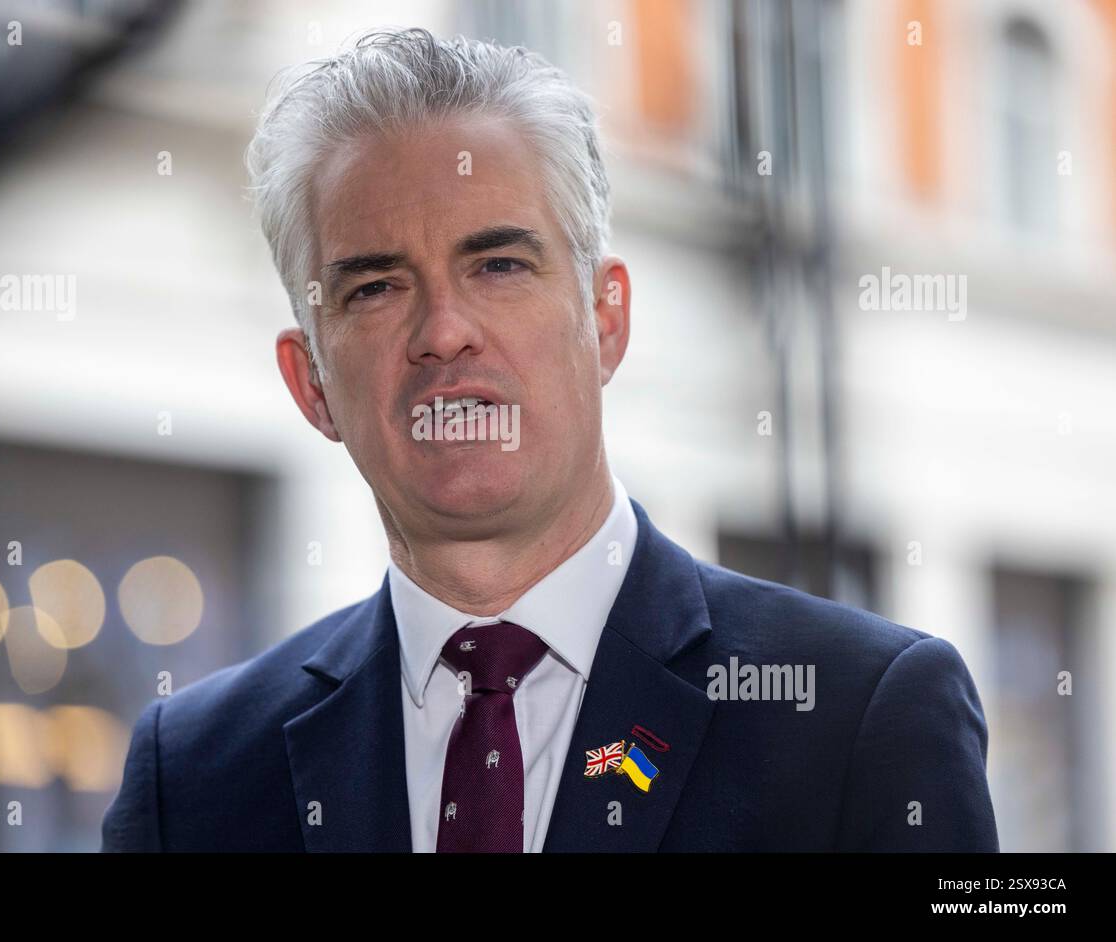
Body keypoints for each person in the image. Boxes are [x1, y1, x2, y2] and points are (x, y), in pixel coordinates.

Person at [101, 27, 998, 853]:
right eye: (374, 287)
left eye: (497, 264)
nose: (444, 330)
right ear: (312, 385)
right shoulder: (193, 777)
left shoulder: (860, 714)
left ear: (606, 321)